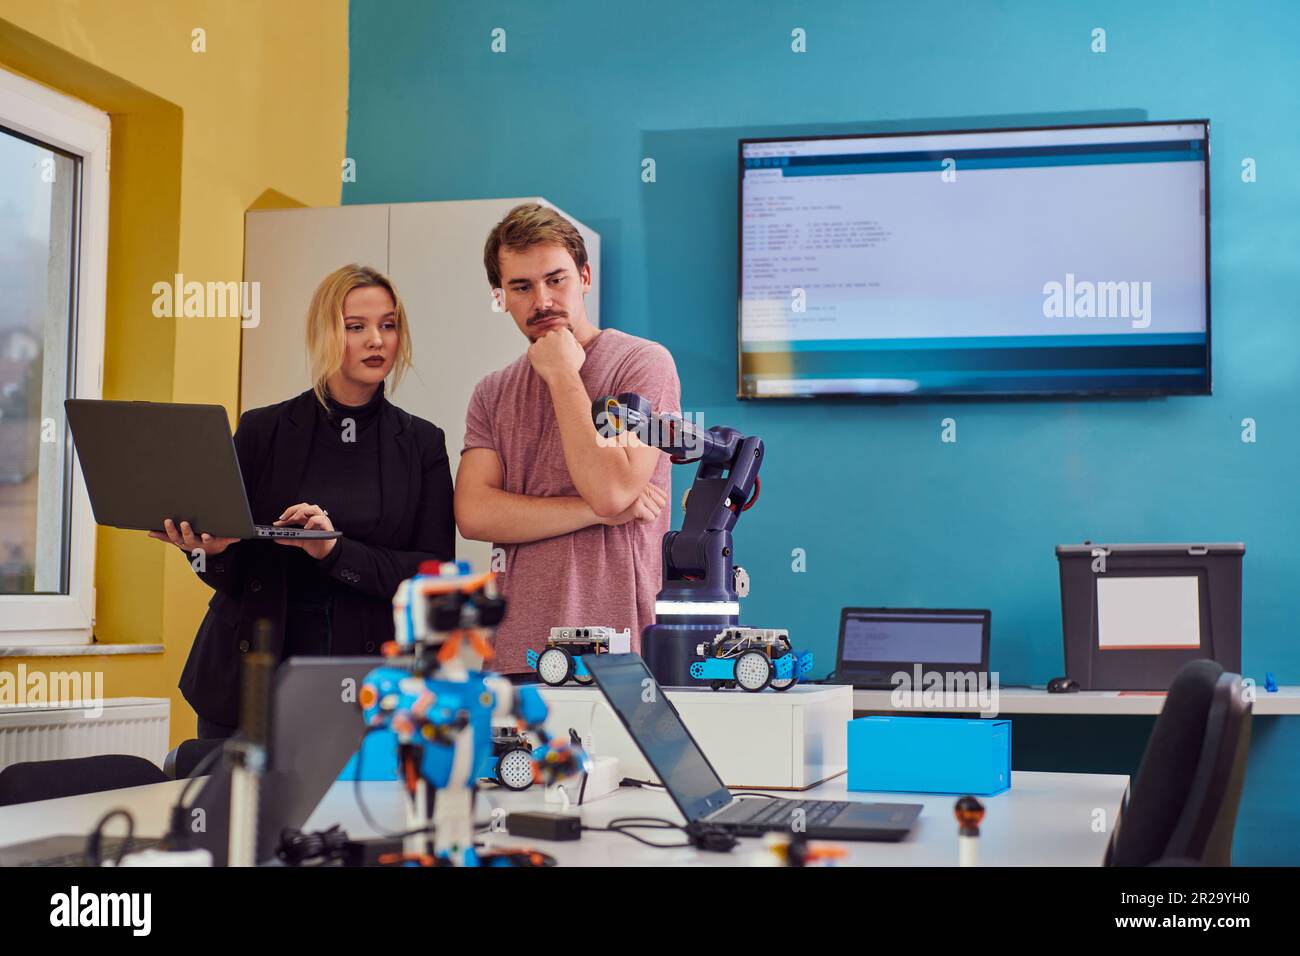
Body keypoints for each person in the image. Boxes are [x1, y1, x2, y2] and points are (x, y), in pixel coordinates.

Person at [152, 264, 455, 738]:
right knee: (237, 812)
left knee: (356, 813)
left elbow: (433, 576)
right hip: (250, 681)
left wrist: (335, 552)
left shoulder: (422, 444)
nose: (376, 340)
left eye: (388, 324)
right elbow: (235, 572)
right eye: (356, 327)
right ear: (325, 333)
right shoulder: (262, 430)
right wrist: (206, 552)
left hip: (368, 683)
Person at [455, 203, 680, 676]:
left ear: (584, 276)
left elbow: (611, 488)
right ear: (501, 297)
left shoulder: (643, 365)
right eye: (521, 287)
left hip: (622, 652)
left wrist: (561, 375)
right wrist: (592, 512)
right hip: (516, 651)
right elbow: (474, 514)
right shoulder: (492, 392)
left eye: (556, 279)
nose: (542, 301)